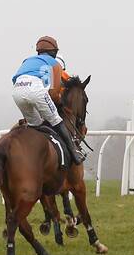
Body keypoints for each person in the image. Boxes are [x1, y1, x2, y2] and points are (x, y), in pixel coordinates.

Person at [11, 35, 83, 166]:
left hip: (17, 91)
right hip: (36, 91)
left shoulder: (26, 60)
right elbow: (54, 95)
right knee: (56, 120)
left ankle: (32, 154)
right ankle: (74, 154)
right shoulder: (55, 64)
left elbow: (15, 79)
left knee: (35, 125)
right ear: (54, 51)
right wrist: (59, 102)